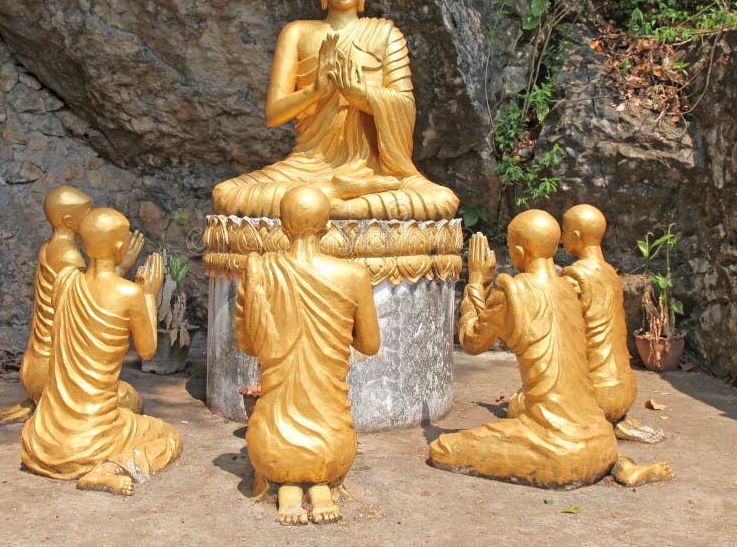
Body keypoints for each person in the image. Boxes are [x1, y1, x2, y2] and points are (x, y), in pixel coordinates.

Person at [213, 0, 458, 220]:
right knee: (226, 193)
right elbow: (273, 114)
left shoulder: (386, 35)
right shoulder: (296, 33)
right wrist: (314, 92)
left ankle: (333, 206)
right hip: (305, 168)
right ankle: (333, 197)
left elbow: (404, 107)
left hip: (370, 170)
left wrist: (362, 96)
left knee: (442, 199)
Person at [429, 210, 673, 488]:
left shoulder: (512, 293)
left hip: (558, 450)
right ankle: (622, 465)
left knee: (444, 448)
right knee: (528, 410)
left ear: (518, 252)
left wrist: (476, 280)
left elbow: (471, 340)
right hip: (603, 440)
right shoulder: (569, 290)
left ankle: (581, 459)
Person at [234, 186, 380, 524]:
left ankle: (286, 489)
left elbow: (249, 344)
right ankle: (320, 488)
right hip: (334, 447)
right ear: (328, 227)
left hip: (270, 446)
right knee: (327, 456)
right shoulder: (353, 276)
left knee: (278, 455)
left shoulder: (259, 272)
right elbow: (370, 345)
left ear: (282, 226)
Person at [21, 208, 181, 495]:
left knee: (130, 400)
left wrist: (122, 270)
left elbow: (94, 296)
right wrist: (148, 294)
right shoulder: (129, 294)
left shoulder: (65, 281)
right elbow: (147, 351)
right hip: (91, 438)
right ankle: (111, 469)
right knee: (168, 437)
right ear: (120, 247)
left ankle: (89, 453)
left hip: (43, 439)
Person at [0, 186, 143, 424]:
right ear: (69, 221)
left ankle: (41, 402)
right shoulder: (69, 256)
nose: (92, 217)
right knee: (130, 400)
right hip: (51, 370)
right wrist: (123, 268)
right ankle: (52, 405)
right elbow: (88, 295)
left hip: (33, 365)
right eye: (87, 212)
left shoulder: (48, 247)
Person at [561, 204, 664, 443]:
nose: (561, 237)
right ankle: (616, 419)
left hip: (596, 393)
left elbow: (562, 330)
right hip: (625, 388)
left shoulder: (575, 275)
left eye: (564, 231)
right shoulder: (610, 273)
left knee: (522, 403)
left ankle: (597, 420)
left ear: (575, 236)